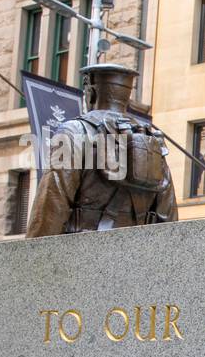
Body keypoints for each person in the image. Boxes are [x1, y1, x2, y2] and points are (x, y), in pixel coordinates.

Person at [27, 63, 178, 237]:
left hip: (81, 251)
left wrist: (29, 257)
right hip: (136, 254)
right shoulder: (151, 140)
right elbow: (168, 215)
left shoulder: (73, 131)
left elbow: (52, 205)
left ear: (91, 93)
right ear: (126, 97)